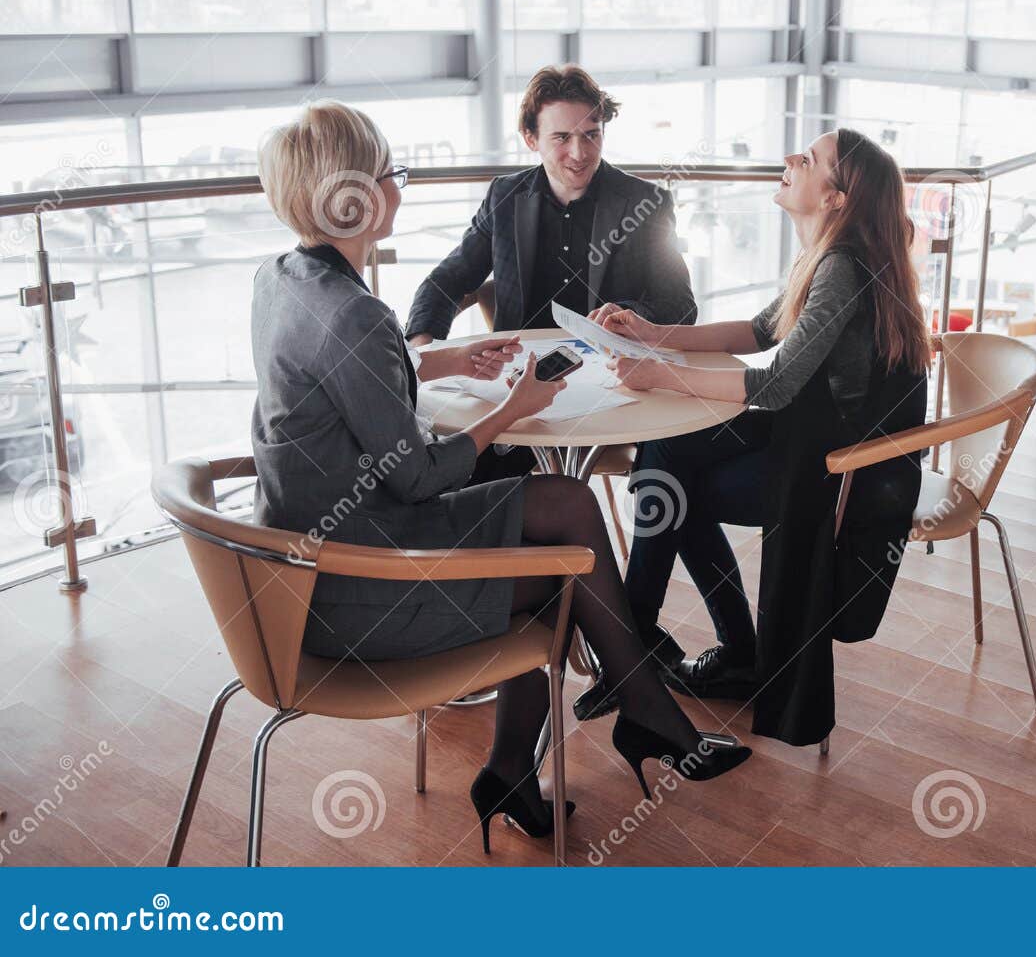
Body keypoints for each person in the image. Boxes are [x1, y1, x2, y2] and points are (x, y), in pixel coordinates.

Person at [249, 101, 748, 850]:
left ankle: (558, 745)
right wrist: (511, 406)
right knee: (565, 546)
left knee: (564, 509)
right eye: (393, 172)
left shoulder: (283, 279)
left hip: (303, 574)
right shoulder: (358, 315)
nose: (399, 186)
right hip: (363, 589)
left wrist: (437, 361)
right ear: (354, 193)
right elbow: (418, 477)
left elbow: (343, 382)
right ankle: (622, 716)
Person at [584, 128, 931, 747]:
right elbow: (755, 330)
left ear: (836, 198)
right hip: (804, 438)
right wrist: (653, 333)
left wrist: (660, 373)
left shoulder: (843, 270)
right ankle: (653, 649)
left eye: (812, 159)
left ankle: (645, 652)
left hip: (834, 471)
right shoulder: (827, 256)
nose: (791, 159)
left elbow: (773, 382)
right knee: (664, 463)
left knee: (669, 480)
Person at [405, 64, 697, 487]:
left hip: (615, 389)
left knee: (667, 473)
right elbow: (445, 281)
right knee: (471, 485)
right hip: (516, 387)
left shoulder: (646, 202)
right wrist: (423, 351)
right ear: (531, 139)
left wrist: (628, 314)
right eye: (561, 138)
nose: (579, 153)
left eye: (590, 135)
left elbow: (681, 306)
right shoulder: (504, 197)